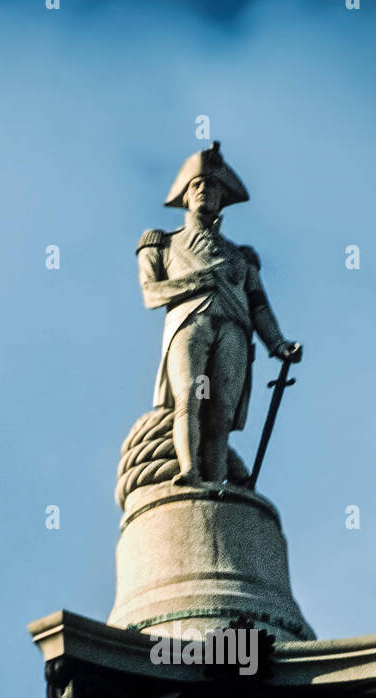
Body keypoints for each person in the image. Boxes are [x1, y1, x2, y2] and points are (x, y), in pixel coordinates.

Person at [136, 142, 301, 485]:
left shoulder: (241, 256)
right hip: (189, 323)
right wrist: (201, 281)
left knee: (221, 413)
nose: (204, 192)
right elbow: (151, 294)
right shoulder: (162, 244)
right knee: (190, 400)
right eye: (197, 185)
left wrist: (278, 343)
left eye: (212, 187)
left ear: (222, 197)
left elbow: (259, 306)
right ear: (185, 193)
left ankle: (216, 482)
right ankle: (188, 471)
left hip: (234, 331)